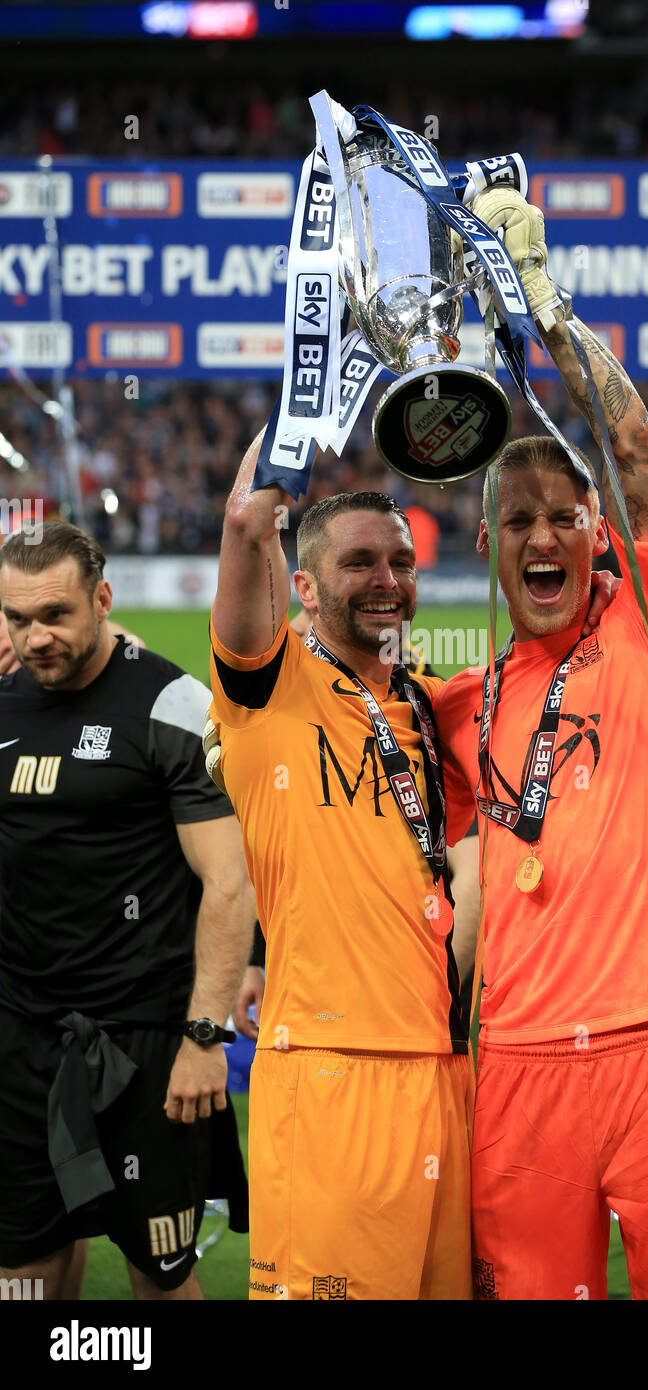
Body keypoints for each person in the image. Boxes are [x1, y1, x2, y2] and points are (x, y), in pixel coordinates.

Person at [430, 184, 648, 1300]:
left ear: (596, 533)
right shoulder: (459, 702)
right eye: (516, 517)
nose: (541, 533)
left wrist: (549, 312)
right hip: (519, 1064)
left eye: (561, 515)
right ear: (485, 543)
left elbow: (629, 447)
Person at [208, 468, 486, 1300]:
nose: (387, 582)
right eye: (360, 562)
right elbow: (242, 522)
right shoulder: (268, 685)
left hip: (448, 1070)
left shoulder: (429, 700)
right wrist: (300, 414)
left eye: (400, 563)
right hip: (330, 1071)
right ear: (303, 584)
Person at [0, 521, 256, 1300]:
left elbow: (229, 883)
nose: (36, 637)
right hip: (20, 1038)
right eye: (17, 619)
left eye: (56, 615)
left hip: (145, 1044)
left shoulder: (174, 704)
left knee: (161, 1272)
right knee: (21, 1272)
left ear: (103, 600)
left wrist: (204, 1037)